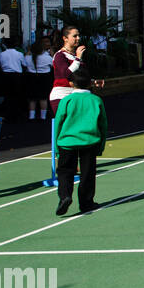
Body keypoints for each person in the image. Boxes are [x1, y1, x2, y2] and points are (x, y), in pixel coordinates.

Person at [52, 69, 107, 215]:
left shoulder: (66, 100)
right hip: (89, 141)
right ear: (90, 84)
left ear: (71, 84)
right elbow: (103, 124)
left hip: (67, 141)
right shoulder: (96, 100)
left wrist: (56, 146)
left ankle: (65, 196)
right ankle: (86, 203)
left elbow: (58, 122)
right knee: (87, 173)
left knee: (64, 172)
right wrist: (101, 145)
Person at [0, 37, 26, 120]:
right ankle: (17, 114)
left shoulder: (1, 54)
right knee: (17, 95)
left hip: (6, 75)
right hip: (17, 76)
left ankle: (8, 114)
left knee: (8, 96)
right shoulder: (19, 54)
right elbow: (24, 64)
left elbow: (0, 65)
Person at [26, 38, 53, 120]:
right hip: (45, 78)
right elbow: (53, 65)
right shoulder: (47, 57)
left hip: (31, 77)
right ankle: (43, 116)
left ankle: (31, 116)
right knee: (43, 98)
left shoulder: (28, 57)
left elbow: (24, 64)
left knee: (32, 99)